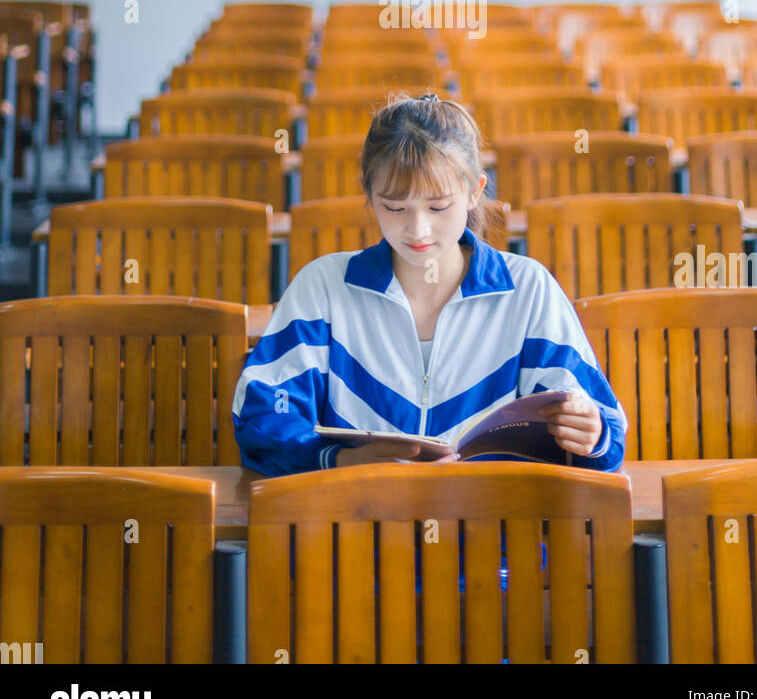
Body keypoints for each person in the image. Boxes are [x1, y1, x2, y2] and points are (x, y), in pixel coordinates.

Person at [232, 92, 627, 474]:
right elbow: (263, 413)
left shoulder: (526, 288)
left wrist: (589, 433)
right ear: (369, 195)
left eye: (438, 206)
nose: (417, 230)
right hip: (358, 525)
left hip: (493, 529)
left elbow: (603, 427)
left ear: (475, 192)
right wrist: (341, 460)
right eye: (394, 207)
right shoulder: (324, 287)